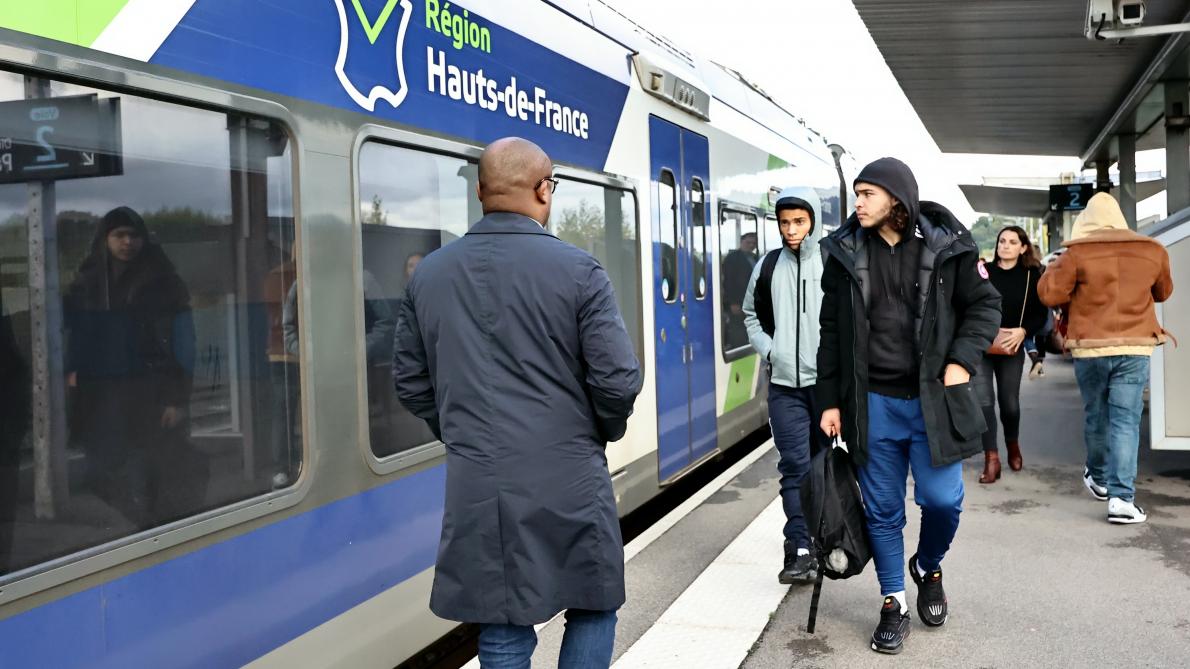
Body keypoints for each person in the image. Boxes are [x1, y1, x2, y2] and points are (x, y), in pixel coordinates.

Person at [393, 137, 642, 669]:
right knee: (593, 602)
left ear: (480, 192)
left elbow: (410, 383)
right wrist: (595, 430)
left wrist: (467, 434)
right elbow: (617, 381)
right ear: (543, 189)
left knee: (502, 621)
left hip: (479, 480)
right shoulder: (580, 271)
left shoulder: (429, 275)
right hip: (570, 472)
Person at [817, 158, 1000, 654]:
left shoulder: (949, 247)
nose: (857, 203)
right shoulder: (844, 252)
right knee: (882, 510)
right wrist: (829, 399)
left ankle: (928, 564)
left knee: (943, 500)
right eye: (856, 194)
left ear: (895, 199)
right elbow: (831, 332)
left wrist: (962, 359)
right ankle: (893, 600)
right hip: (872, 403)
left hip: (933, 402)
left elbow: (986, 305)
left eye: (866, 194)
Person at [1038, 192, 1173, 524]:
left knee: (1096, 415)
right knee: (1125, 422)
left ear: (1087, 220)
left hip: (1092, 346)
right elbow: (1163, 292)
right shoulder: (1151, 250)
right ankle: (1121, 499)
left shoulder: (1077, 253)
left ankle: (1097, 476)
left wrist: (1061, 264)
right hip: (1135, 345)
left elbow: (1048, 293)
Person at [65, 206, 199, 529]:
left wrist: (177, 398)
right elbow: (74, 332)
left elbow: (182, 343)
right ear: (105, 239)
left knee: (146, 467)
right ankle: (137, 525)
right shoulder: (87, 282)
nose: (128, 242)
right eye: (119, 235)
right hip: (100, 391)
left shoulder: (164, 282)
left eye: (134, 235)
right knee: (98, 470)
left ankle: (147, 533)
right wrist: (70, 372)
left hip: (149, 389)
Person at [742, 187, 828, 585]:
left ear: (812, 221)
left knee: (821, 464)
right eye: (784, 222)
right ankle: (799, 548)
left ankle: (825, 535)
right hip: (784, 386)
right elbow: (751, 315)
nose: (791, 230)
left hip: (825, 387)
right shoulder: (768, 264)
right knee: (794, 465)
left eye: (799, 221)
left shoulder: (831, 262)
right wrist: (771, 351)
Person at [975, 226, 1048, 483]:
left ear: (1023, 247)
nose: (1005, 246)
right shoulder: (984, 273)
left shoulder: (1031, 276)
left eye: (1012, 242)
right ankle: (991, 458)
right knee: (984, 402)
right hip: (982, 345)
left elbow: (1041, 314)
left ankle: (1012, 444)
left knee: (1009, 404)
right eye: (1001, 241)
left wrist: (1023, 331)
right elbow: (968, 303)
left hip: (1011, 346)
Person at [722, 232, 759, 349]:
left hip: (752, 301)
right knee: (738, 329)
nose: (751, 245)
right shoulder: (733, 258)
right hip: (737, 302)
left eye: (753, 243)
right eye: (748, 242)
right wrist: (733, 302)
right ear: (741, 242)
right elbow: (728, 281)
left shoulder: (754, 258)